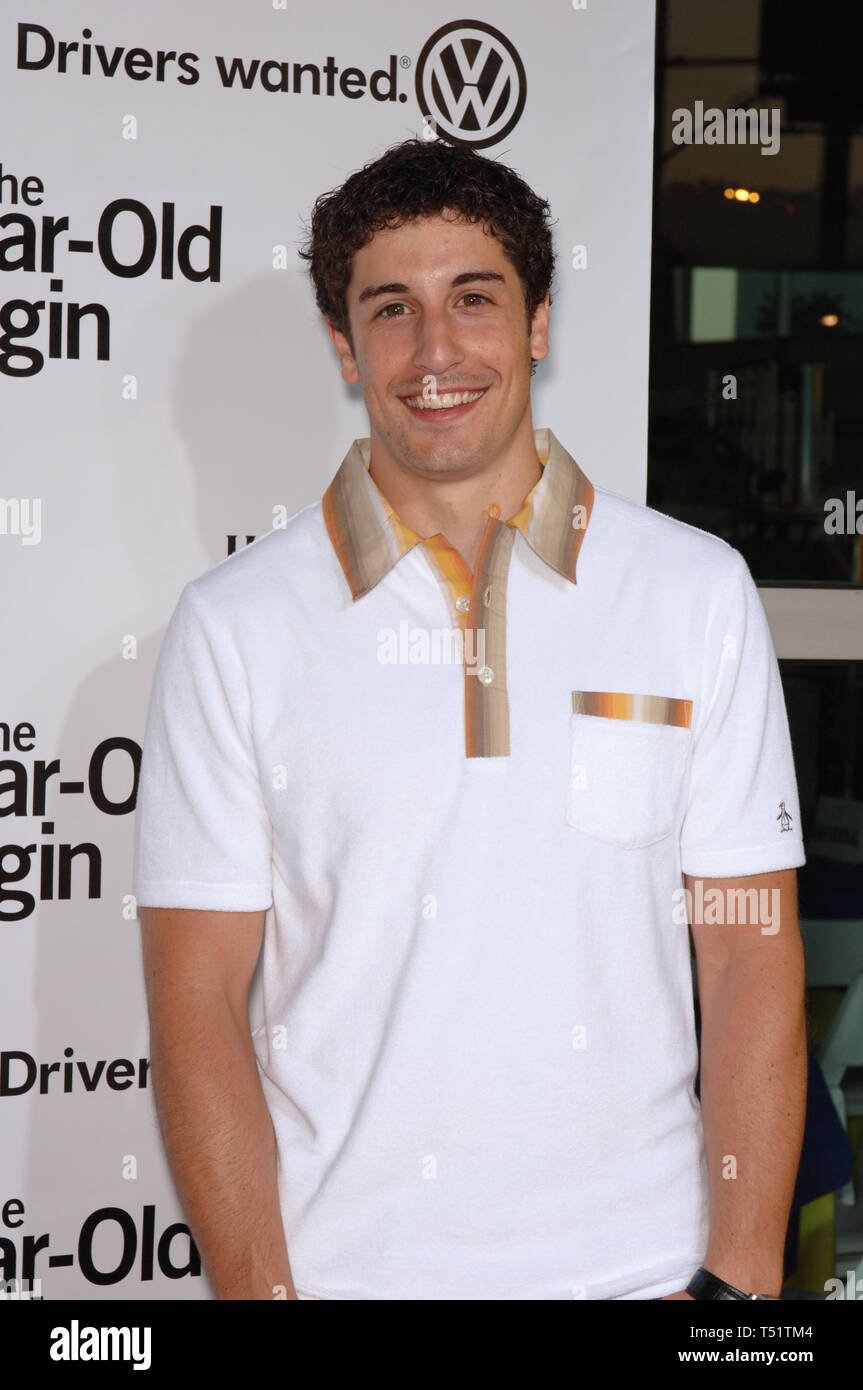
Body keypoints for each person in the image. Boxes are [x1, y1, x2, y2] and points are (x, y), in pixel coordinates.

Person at [133, 136, 808, 1301]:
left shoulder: (692, 592)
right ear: (344, 347)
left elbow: (747, 950)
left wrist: (739, 1285)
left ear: (537, 323)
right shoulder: (232, 625)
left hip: (648, 1277)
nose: (434, 351)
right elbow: (195, 997)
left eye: (473, 300)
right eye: (390, 309)